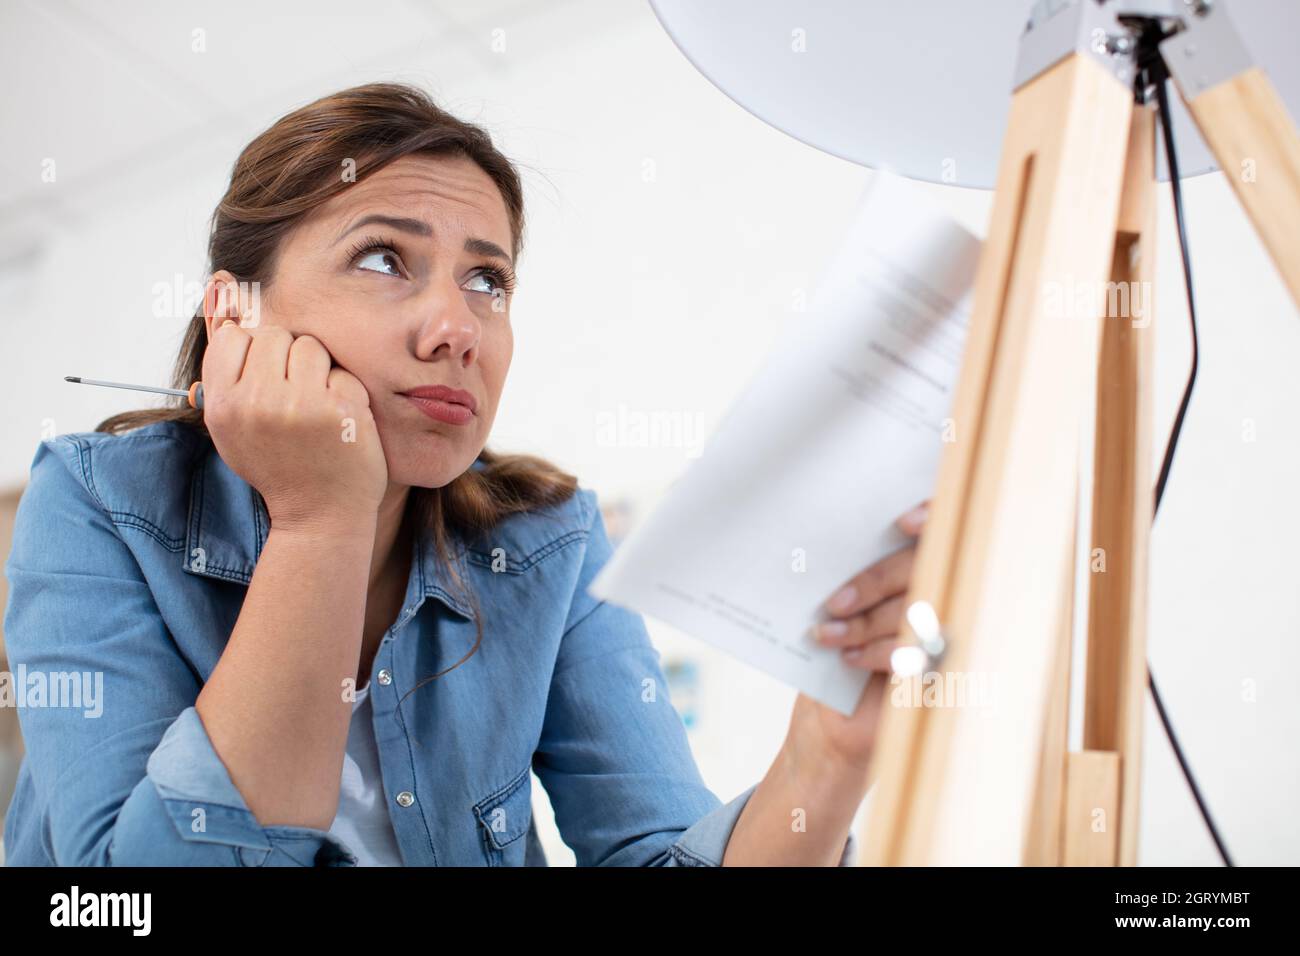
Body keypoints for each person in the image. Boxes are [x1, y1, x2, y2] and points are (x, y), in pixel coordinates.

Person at [1, 82, 926, 867]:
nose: (458, 328)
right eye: (383, 258)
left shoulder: (550, 540)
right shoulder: (98, 503)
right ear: (235, 314)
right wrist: (322, 518)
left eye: (489, 280)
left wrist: (825, 760)